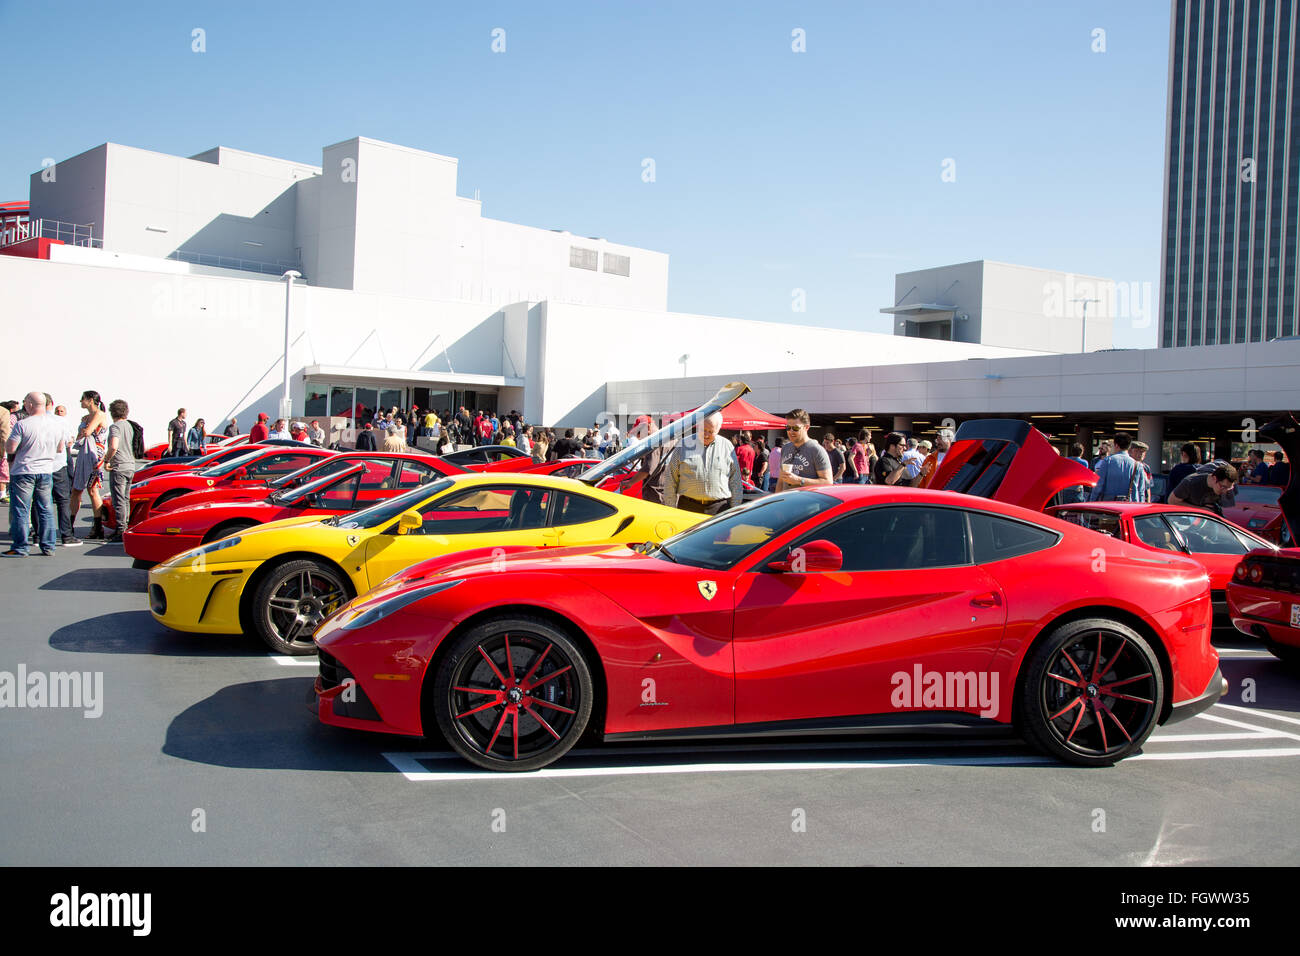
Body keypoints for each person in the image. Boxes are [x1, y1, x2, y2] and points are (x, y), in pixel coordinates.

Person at [4, 392, 66, 556]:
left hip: (24, 470)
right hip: (46, 470)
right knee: (45, 509)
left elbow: (10, 448)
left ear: (30, 404)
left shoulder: (22, 425)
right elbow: (60, 449)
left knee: (21, 510)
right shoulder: (56, 425)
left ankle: (21, 547)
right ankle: (48, 546)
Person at [663, 412, 742, 514]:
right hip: (688, 507)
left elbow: (735, 481)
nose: (706, 434)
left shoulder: (727, 447)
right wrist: (671, 509)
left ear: (717, 430)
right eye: (703, 430)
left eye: (710, 431)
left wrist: (735, 512)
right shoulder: (683, 445)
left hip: (719, 508)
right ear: (698, 426)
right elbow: (670, 479)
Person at [70, 390, 109, 540]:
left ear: (91, 400)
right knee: (77, 490)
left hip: (94, 455)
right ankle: (70, 524)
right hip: (85, 454)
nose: (81, 402)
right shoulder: (89, 416)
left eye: (83, 399)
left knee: (92, 490)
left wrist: (83, 429)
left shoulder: (98, 414)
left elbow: (87, 432)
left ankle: (98, 527)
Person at [103, 399, 136, 543]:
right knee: (126, 498)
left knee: (118, 499)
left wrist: (106, 459)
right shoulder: (129, 425)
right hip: (130, 464)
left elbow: (114, 446)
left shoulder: (115, 427)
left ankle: (120, 529)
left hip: (120, 465)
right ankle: (125, 525)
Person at [776, 410, 833, 491]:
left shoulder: (816, 450)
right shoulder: (786, 448)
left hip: (809, 502)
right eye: (788, 428)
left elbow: (828, 482)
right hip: (787, 501)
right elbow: (781, 480)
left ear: (806, 427)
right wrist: (776, 501)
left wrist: (799, 480)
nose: (791, 431)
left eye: (796, 428)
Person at [50, 400, 79, 545]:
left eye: (62, 411)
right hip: (57, 463)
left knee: (41, 501)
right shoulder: (60, 423)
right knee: (62, 501)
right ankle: (66, 535)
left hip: (47, 464)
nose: (59, 413)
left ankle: (40, 536)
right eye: (58, 410)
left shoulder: (30, 422)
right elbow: (64, 444)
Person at [1168, 462, 1238, 514]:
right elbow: (1171, 501)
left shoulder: (1225, 487)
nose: (1225, 491)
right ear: (1214, 478)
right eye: (1223, 487)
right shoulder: (1190, 483)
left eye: (1229, 488)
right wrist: (1201, 509)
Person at [1090, 433, 1140, 502]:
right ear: (1129, 447)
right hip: (1126, 504)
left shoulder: (1108, 461)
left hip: (1107, 504)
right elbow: (1135, 489)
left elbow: (1099, 484)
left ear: (1116, 445)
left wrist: (1092, 500)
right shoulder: (1136, 464)